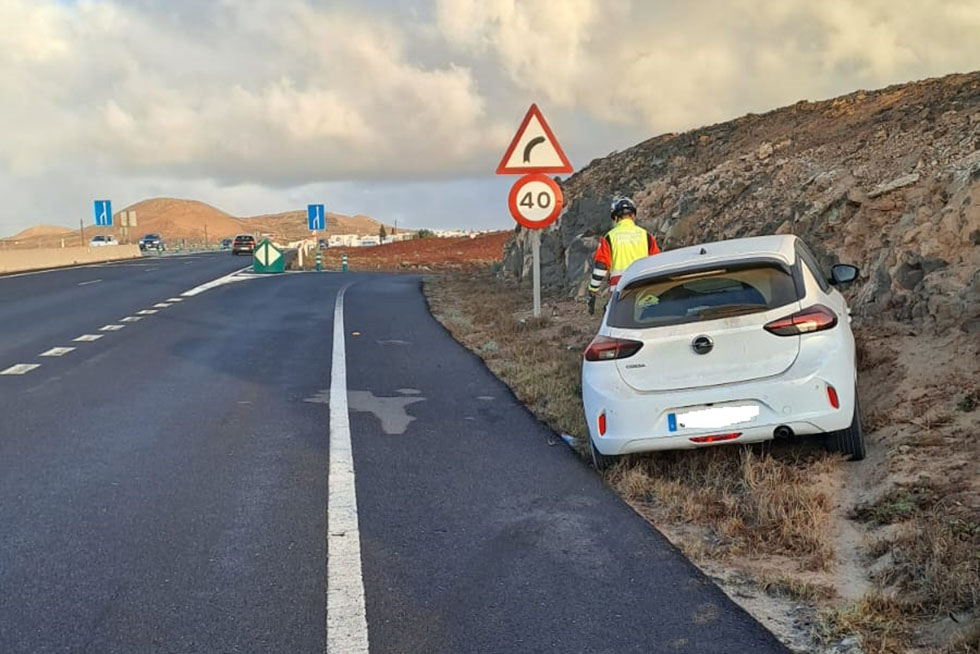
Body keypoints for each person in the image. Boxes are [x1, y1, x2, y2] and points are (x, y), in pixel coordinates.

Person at [587, 197, 660, 315]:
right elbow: (657, 262)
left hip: (619, 290)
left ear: (615, 218)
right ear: (633, 216)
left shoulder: (610, 237)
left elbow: (601, 266)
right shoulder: (646, 236)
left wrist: (592, 291)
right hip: (644, 289)